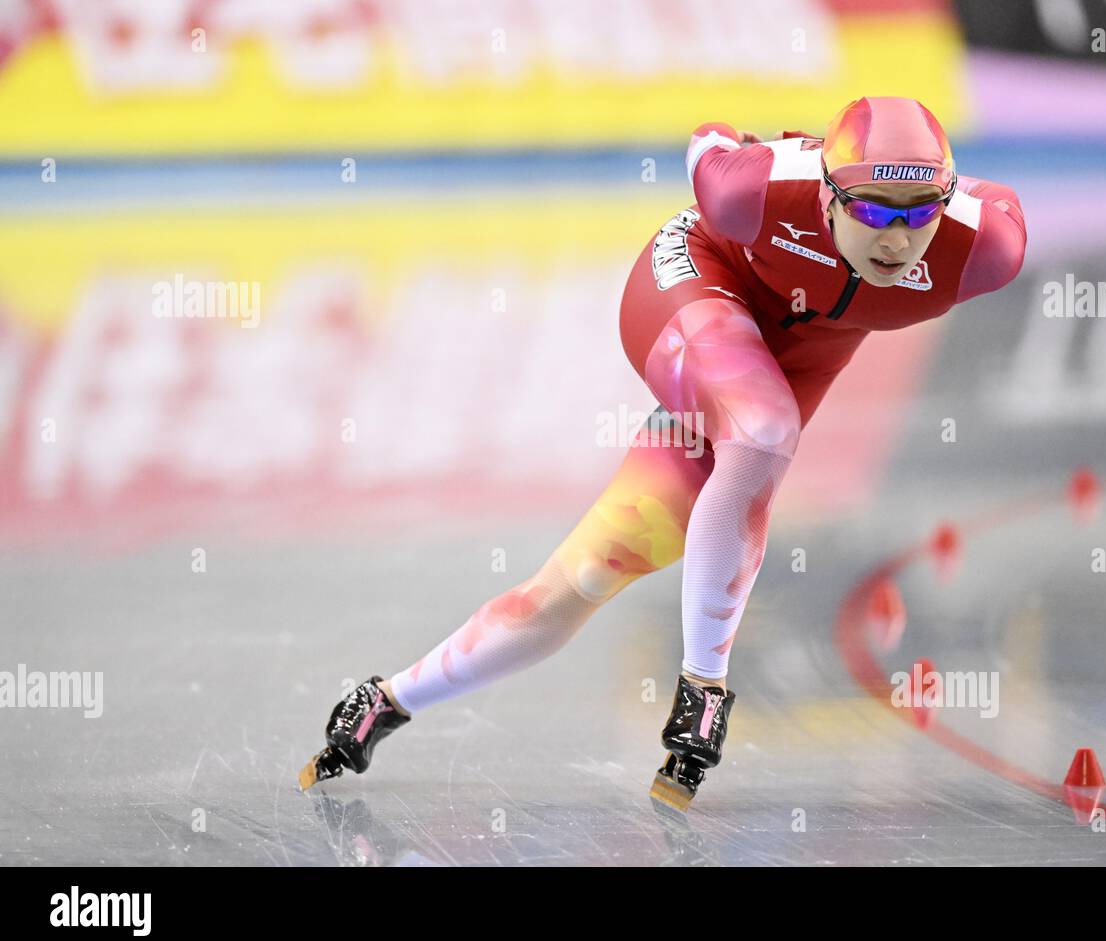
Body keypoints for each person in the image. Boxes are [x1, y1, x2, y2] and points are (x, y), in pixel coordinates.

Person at [298, 96, 1028, 804]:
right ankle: (703, 688)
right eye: (871, 208)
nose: (897, 238)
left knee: (582, 579)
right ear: (830, 195)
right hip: (697, 286)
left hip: (799, 358)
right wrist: (748, 145)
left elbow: (968, 213)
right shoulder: (752, 193)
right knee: (765, 429)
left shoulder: (986, 245)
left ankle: (384, 701)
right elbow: (707, 138)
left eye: (919, 212)